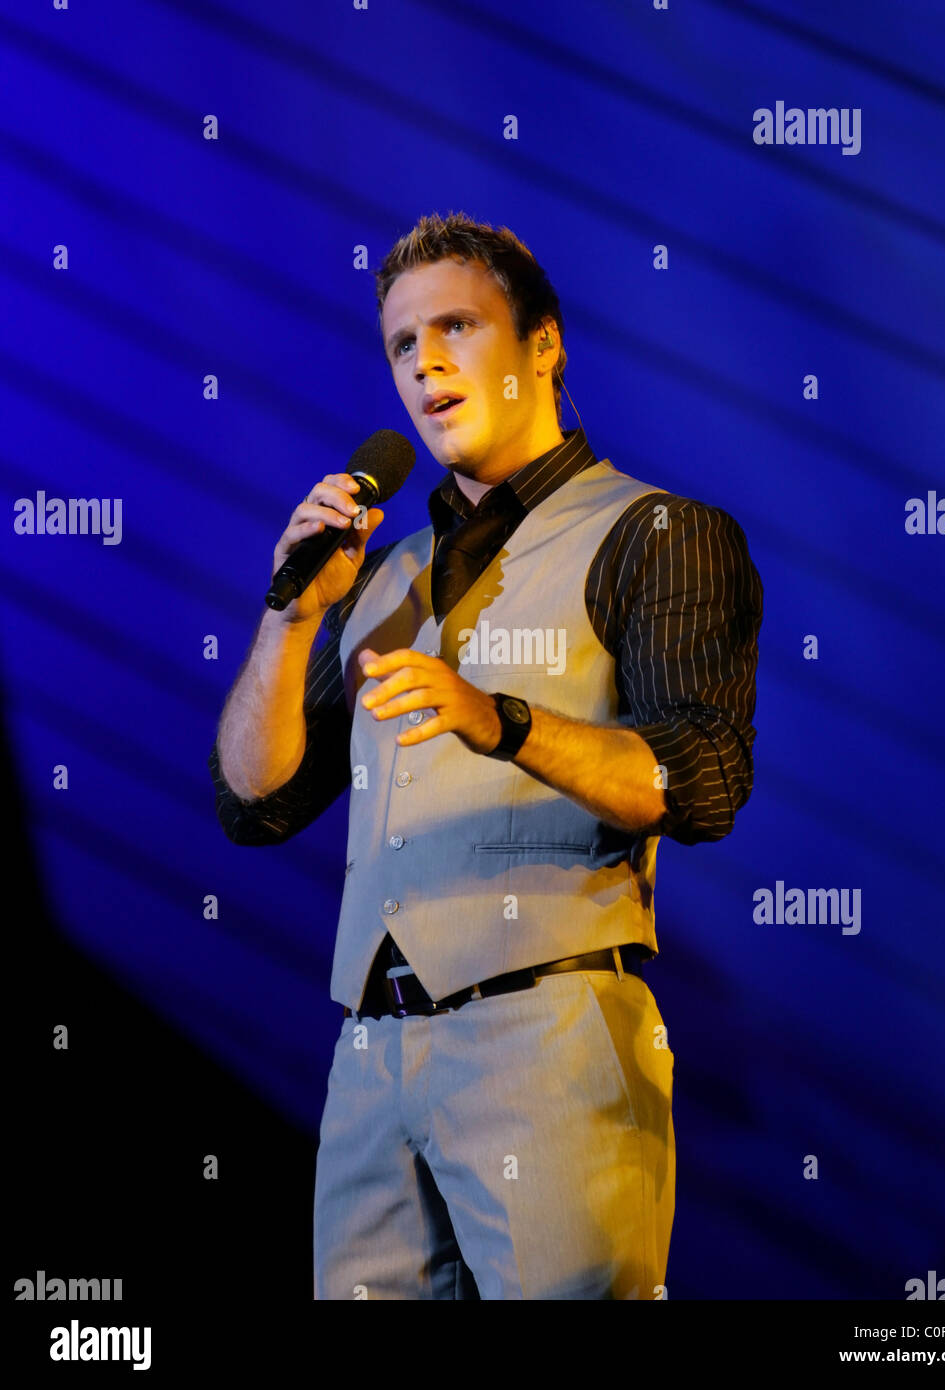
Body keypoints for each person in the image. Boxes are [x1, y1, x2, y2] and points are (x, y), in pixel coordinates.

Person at [209, 212, 763, 1300]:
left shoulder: (656, 532)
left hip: (546, 1036)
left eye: (455, 327)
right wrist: (286, 618)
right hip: (371, 1058)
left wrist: (500, 718)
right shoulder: (380, 574)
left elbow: (698, 778)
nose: (425, 364)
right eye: (402, 345)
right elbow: (255, 804)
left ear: (542, 345)